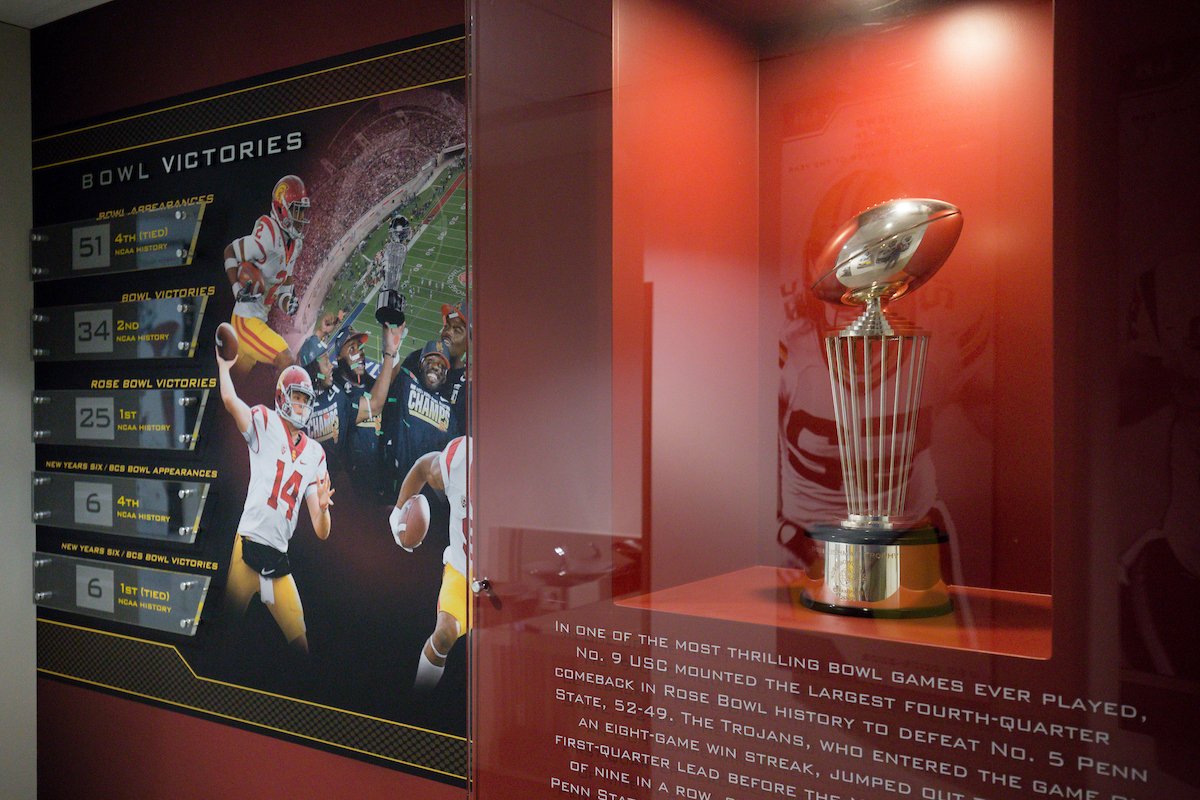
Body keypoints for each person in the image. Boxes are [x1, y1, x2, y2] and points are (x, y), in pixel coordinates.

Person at [216, 345, 333, 653]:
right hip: (247, 548)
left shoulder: (315, 454)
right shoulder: (264, 421)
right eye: (297, 397)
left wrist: (323, 508)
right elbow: (230, 400)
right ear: (282, 396)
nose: (301, 405)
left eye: (305, 399)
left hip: (278, 560)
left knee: (301, 645)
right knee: (225, 631)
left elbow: (322, 531)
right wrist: (224, 368)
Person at [389, 435, 471, 691]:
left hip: (509, 581)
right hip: (464, 570)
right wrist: (397, 513)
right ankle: (417, 701)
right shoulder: (461, 458)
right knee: (445, 633)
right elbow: (424, 467)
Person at [224, 174, 311, 372]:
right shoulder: (268, 238)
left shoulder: (295, 244)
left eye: (303, 211)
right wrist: (236, 289)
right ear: (281, 209)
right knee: (287, 360)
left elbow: (282, 288)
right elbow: (230, 251)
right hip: (245, 321)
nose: (301, 218)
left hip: (258, 321)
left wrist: (287, 302)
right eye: (296, 210)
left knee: (238, 380)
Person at [300, 324, 405, 480]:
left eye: (360, 348)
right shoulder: (333, 389)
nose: (359, 353)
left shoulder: (342, 395)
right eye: (351, 349)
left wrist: (391, 352)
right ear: (339, 357)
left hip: (370, 477)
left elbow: (382, 395)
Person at [383, 338, 462, 482]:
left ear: (445, 377)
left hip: (427, 489)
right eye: (430, 361)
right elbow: (392, 371)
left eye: (441, 366)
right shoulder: (405, 382)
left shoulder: (450, 413)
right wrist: (391, 349)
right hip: (394, 480)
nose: (436, 367)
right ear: (421, 364)